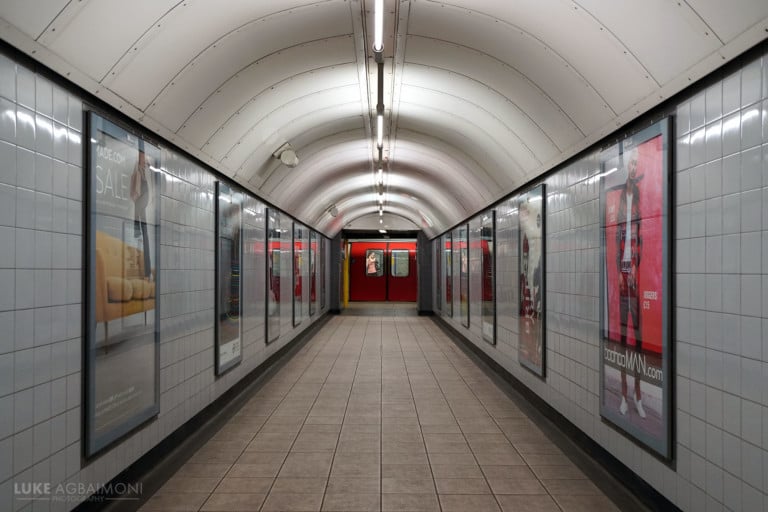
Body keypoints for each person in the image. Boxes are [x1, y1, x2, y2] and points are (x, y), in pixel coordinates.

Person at [615, 146, 645, 418]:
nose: (633, 168)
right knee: (623, 341)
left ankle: (638, 395)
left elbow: (641, 236)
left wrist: (635, 266)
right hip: (622, 280)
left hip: (634, 280)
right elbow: (616, 239)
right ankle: (624, 394)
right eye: (631, 164)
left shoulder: (638, 197)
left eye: (636, 164)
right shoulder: (621, 200)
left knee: (638, 341)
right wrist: (619, 271)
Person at [130, 145, 152, 279]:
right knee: (141, 233)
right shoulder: (137, 169)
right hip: (139, 200)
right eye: (141, 156)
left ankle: (146, 271)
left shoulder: (147, 168)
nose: (142, 158)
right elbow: (134, 191)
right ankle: (145, 272)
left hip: (143, 200)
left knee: (143, 232)